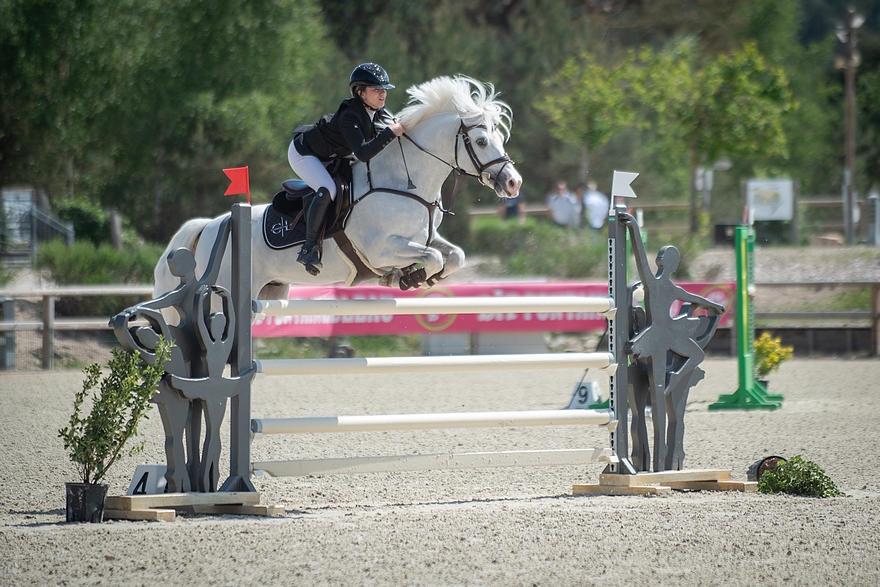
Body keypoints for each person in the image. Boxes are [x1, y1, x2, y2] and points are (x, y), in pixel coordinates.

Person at [288, 63, 406, 275]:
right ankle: (308, 248)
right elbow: (363, 153)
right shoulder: (349, 115)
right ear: (360, 92)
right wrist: (389, 133)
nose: (382, 93)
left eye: (384, 89)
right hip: (304, 154)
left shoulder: (378, 111)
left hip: (332, 156)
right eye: (376, 89)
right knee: (328, 188)